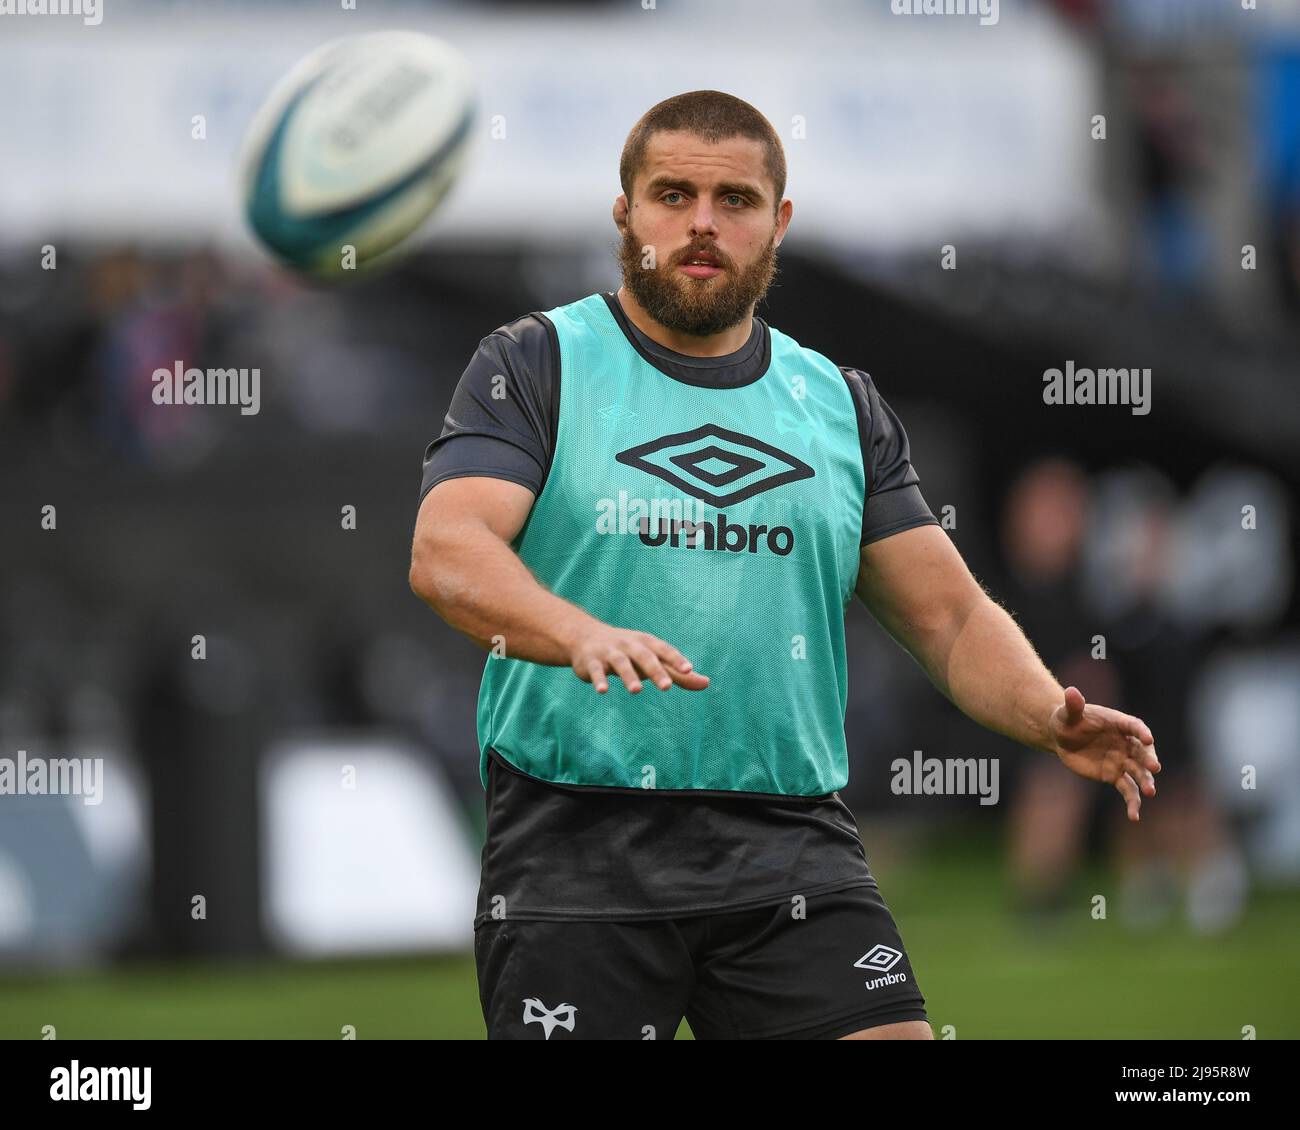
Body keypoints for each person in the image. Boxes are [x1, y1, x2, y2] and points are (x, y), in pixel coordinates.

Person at [408, 90, 1160, 1041]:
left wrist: (1045, 710)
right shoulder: (538, 361)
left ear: (780, 223)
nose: (702, 224)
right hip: (576, 843)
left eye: (736, 201)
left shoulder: (837, 403)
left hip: (787, 838)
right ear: (624, 211)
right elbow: (448, 551)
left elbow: (950, 617)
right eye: (672, 194)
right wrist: (577, 633)